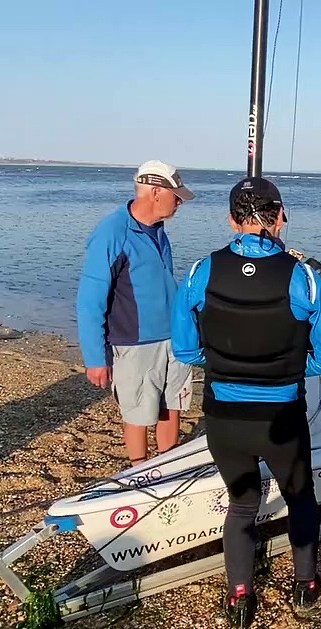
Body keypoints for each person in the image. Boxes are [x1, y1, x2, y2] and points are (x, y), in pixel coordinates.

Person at [171, 176, 321, 629]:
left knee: (243, 503)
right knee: (299, 496)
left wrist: (231, 367)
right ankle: (306, 588)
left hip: (225, 417)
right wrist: (285, 369)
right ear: (281, 216)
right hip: (281, 416)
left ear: (231, 219)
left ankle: (240, 597)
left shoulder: (199, 272)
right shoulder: (304, 277)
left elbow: (186, 350)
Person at [76, 160, 196, 467]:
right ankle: (139, 471)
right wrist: (94, 359)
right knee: (139, 414)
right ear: (156, 192)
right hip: (134, 342)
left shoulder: (158, 230)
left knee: (172, 409)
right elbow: (90, 301)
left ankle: (167, 465)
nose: (180, 201)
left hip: (175, 340)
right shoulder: (111, 233)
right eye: (176, 194)